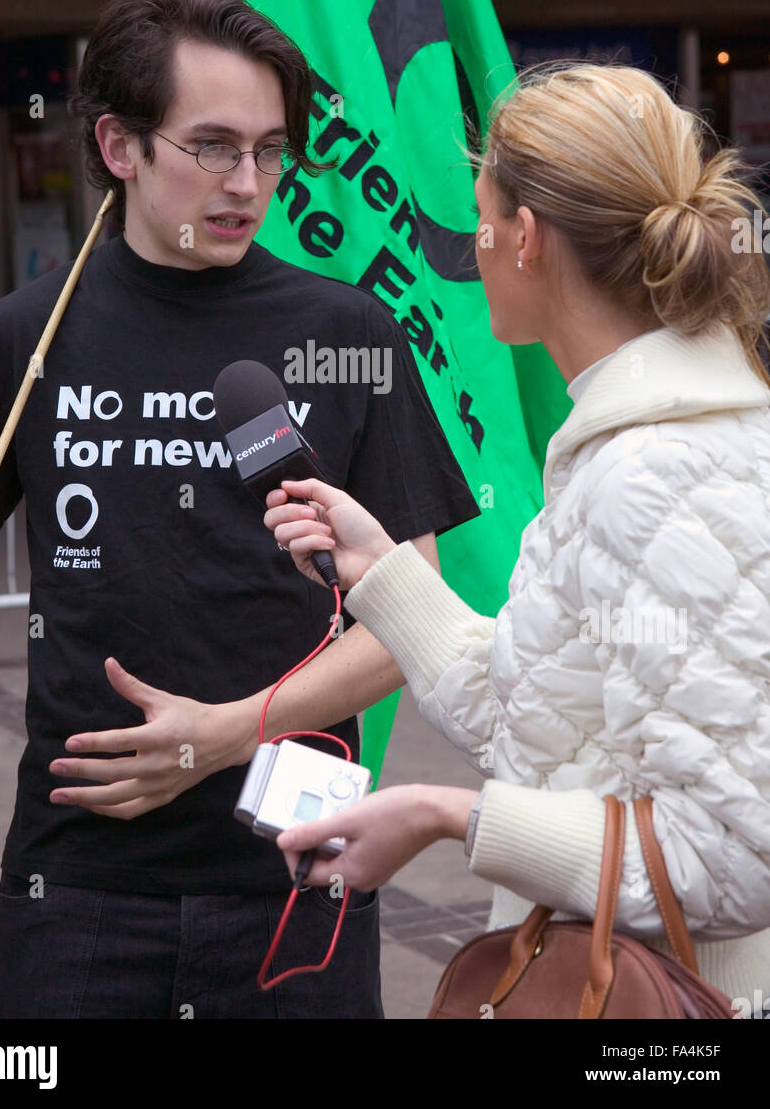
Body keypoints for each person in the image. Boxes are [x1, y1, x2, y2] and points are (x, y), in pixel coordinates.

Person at [0, 0, 479, 1019]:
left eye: (269, 150)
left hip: (297, 866)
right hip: (70, 887)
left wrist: (222, 733)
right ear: (120, 146)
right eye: (212, 146)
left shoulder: (350, 334)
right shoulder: (18, 339)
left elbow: (412, 624)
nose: (248, 182)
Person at [265, 61, 770, 1008]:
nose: (472, 243)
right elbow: (532, 721)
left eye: (480, 215)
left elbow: (736, 855)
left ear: (527, 238)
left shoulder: (648, 470)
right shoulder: (636, 441)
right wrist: (380, 569)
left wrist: (442, 816)